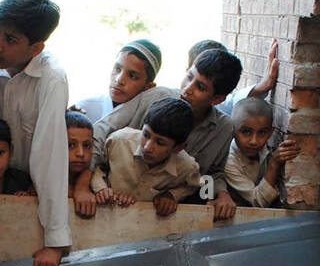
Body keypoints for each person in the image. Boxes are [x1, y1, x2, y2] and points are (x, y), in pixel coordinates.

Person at [86, 47, 244, 217]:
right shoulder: (157, 98)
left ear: (217, 99)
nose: (187, 89)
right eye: (189, 77)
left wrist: (221, 194)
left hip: (166, 214)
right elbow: (101, 130)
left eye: (200, 86)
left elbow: (213, 174)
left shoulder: (223, 128)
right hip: (109, 200)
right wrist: (84, 184)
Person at [0, 0, 69, 266]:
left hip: (32, 193)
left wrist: (54, 243)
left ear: (36, 48)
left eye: (10, 39)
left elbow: (50, 157)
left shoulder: (52, 79)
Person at [90, 97, 201, 217]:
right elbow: (96, 168)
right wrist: (101, 189)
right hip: (104, 215)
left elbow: (192, 186)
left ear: (178, 147)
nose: (148, 147)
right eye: (146, 135)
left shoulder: (187, 167)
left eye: (160, 143)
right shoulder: (118, 142)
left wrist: (171, 195)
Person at [224, 97, 300, 207]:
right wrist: (273, 165)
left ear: (270, 132)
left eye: (262, 133)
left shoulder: (266, 149)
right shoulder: (229, 160)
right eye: (246, 132)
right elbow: (258, 201)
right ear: (233, 130)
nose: (254, 141)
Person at [74, 39, 164, 122]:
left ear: (148, 87)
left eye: (132, 76)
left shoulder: (148, 122)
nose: (119, 80)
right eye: (117, 69)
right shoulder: (85, 110)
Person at [65, 109, 95, 204]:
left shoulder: (99, 185)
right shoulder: (40, 186)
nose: (80, 153)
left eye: (87, 146)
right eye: (71, 145)